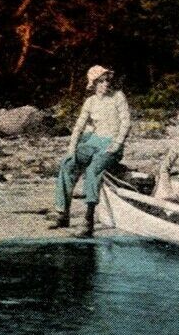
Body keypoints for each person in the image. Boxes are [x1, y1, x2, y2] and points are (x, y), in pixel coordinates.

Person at [52, 64, 132, 237]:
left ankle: (88, 219)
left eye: (107, 80)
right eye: (101, 81)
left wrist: (117, 144)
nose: (106, 84)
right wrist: (72, 148)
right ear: (94, 84)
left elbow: (126, 122)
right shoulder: (90, 101)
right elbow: (79, 126)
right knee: (68, 163)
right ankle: (62, 213)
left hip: (112, 143)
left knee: (93, 169)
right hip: (94, 141)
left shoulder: (118, 96)